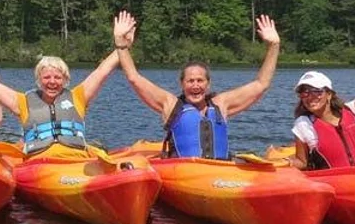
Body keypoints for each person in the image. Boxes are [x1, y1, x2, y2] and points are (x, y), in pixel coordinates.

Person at [112, 10, 280, 159]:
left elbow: (261, 84)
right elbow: (134, 78)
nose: (195, 85)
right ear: (182, 84)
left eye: (200, 80)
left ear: (208, 84)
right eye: (190, 81)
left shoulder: (221, 105)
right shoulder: (170, 105)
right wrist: (121, 44)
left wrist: (274, 45)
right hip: (185, 173)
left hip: (220, 173)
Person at [0, 29, 119, 159]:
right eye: (46, 77)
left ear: (65, 80)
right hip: (39, 162)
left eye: (57, 77)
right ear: (39, 80)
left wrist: (122, 45)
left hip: (75, 160)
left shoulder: (78, 97)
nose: (52, 82)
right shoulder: (24, 102)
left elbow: (102, 71)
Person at [289, 71, 355, 170]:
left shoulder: (353, 110)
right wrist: (285, 162)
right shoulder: (304, 124)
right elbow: (302, 162)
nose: (310, 97)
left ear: (329, 94)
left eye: (316, 91)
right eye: (304, 93)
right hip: (336, 178)